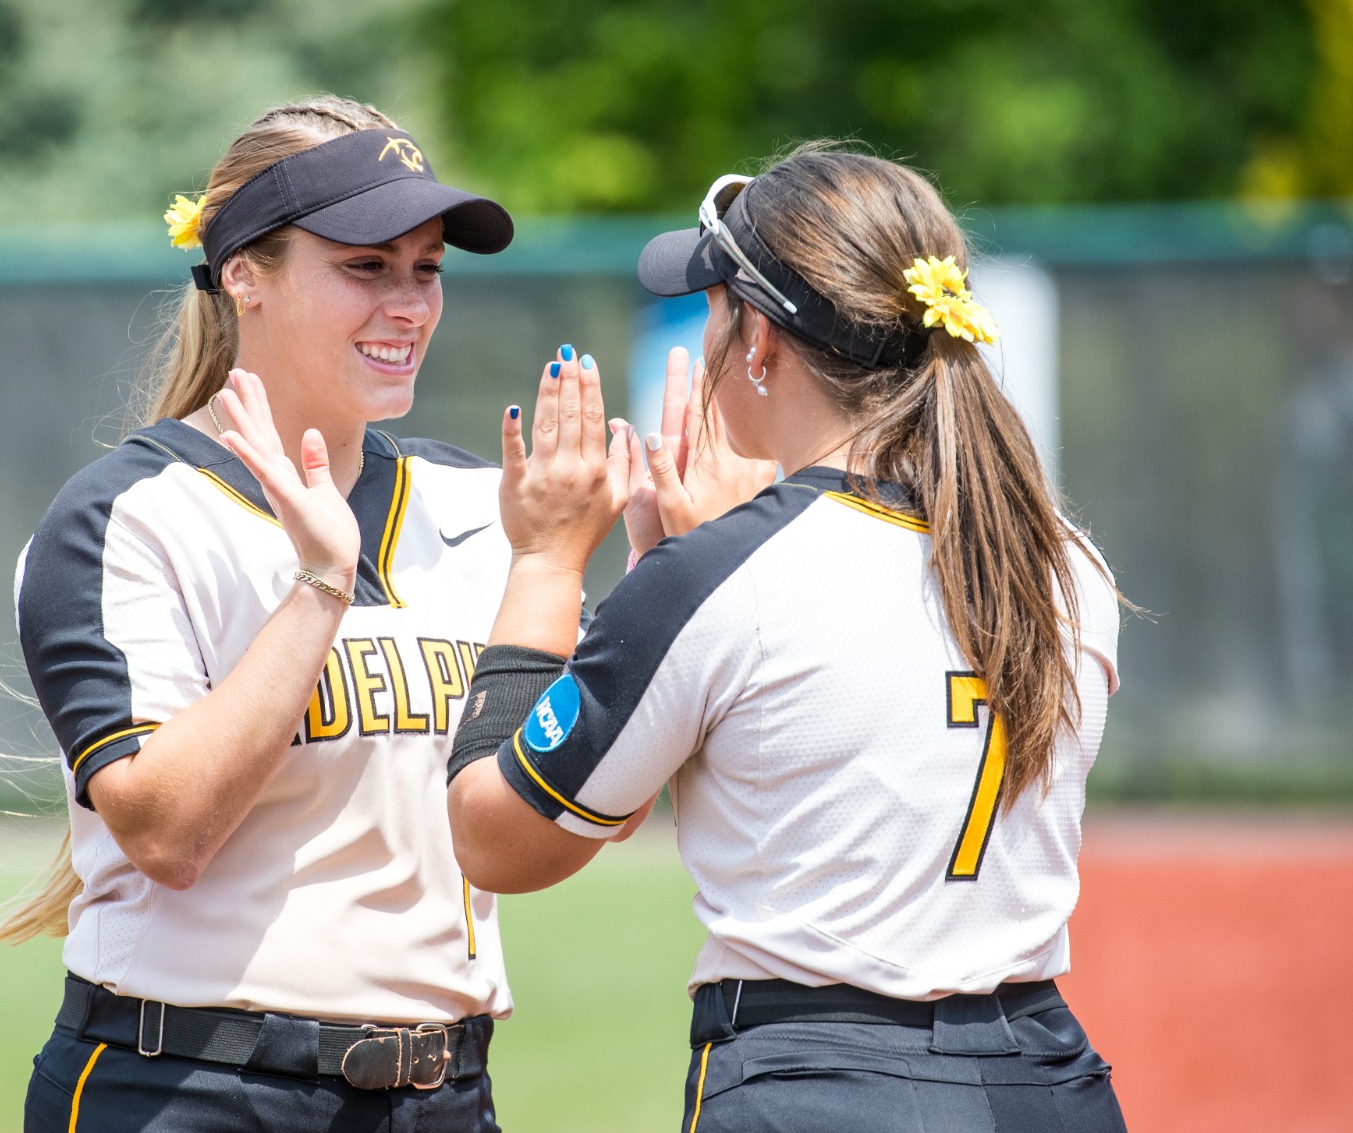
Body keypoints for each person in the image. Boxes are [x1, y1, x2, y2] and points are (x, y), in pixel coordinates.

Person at [444, 146, 1128, 1132]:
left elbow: (492, 838)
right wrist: (697, 565)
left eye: (713, 306)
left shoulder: (725, 578)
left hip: (824, 1083)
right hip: (1046, 1079)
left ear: (758, 339)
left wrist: (550, 562)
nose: (708, 330)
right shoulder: (1064, 560)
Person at [0, 96, 592, 1132]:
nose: (407, 301)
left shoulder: (482, 506)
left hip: (443, 1092)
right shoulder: (126, 513)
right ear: (243, 274)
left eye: (426, 267)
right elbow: (165, 831)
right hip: (187, 1083)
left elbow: (558, 804)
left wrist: (647, 568)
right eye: (365, 265)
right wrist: (319, 582)